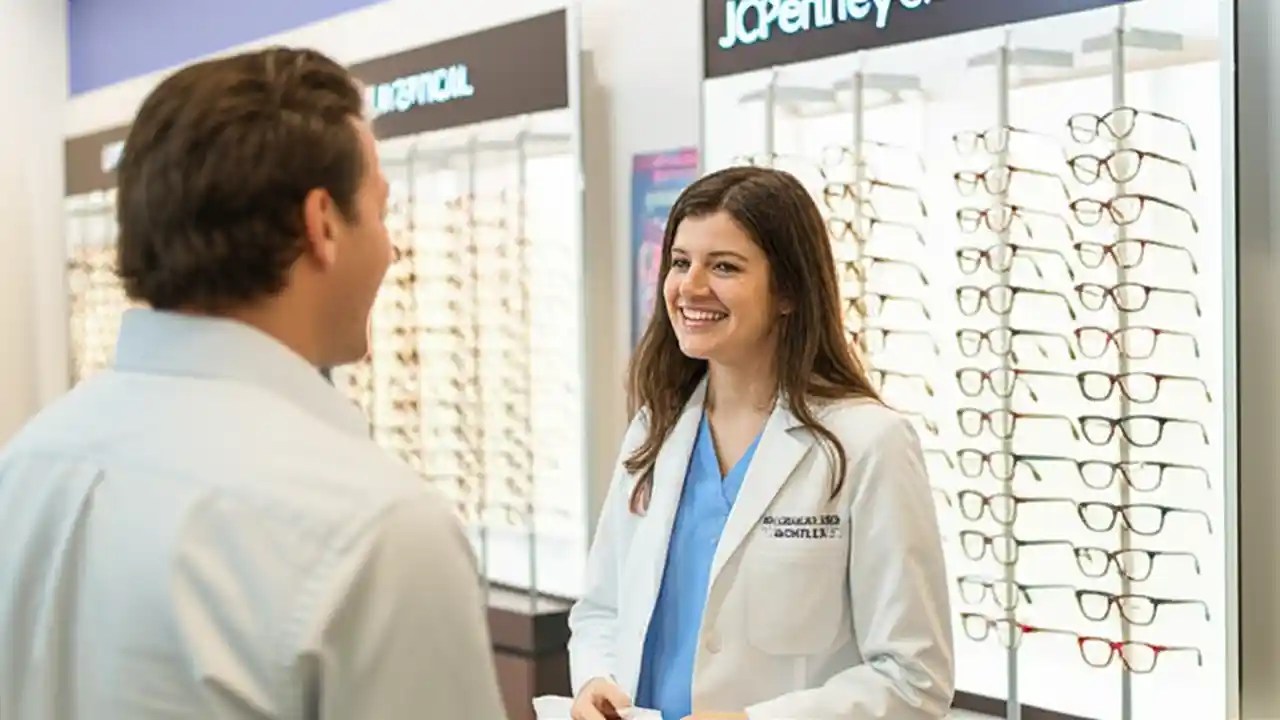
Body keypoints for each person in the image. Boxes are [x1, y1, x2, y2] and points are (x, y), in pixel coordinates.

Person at [0, 48, 508, 720]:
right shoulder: (376, 529)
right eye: (382, 212)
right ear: (321, 223)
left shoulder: (30, 462)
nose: (392, 249)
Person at [566, 167, 955, 720]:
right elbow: (602, 609)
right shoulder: (658, 427)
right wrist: (596, 680)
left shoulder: (869, 445)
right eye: (680, 262)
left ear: (789, 292)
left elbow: (915, 678)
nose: (690, 287)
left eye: (724, 266)